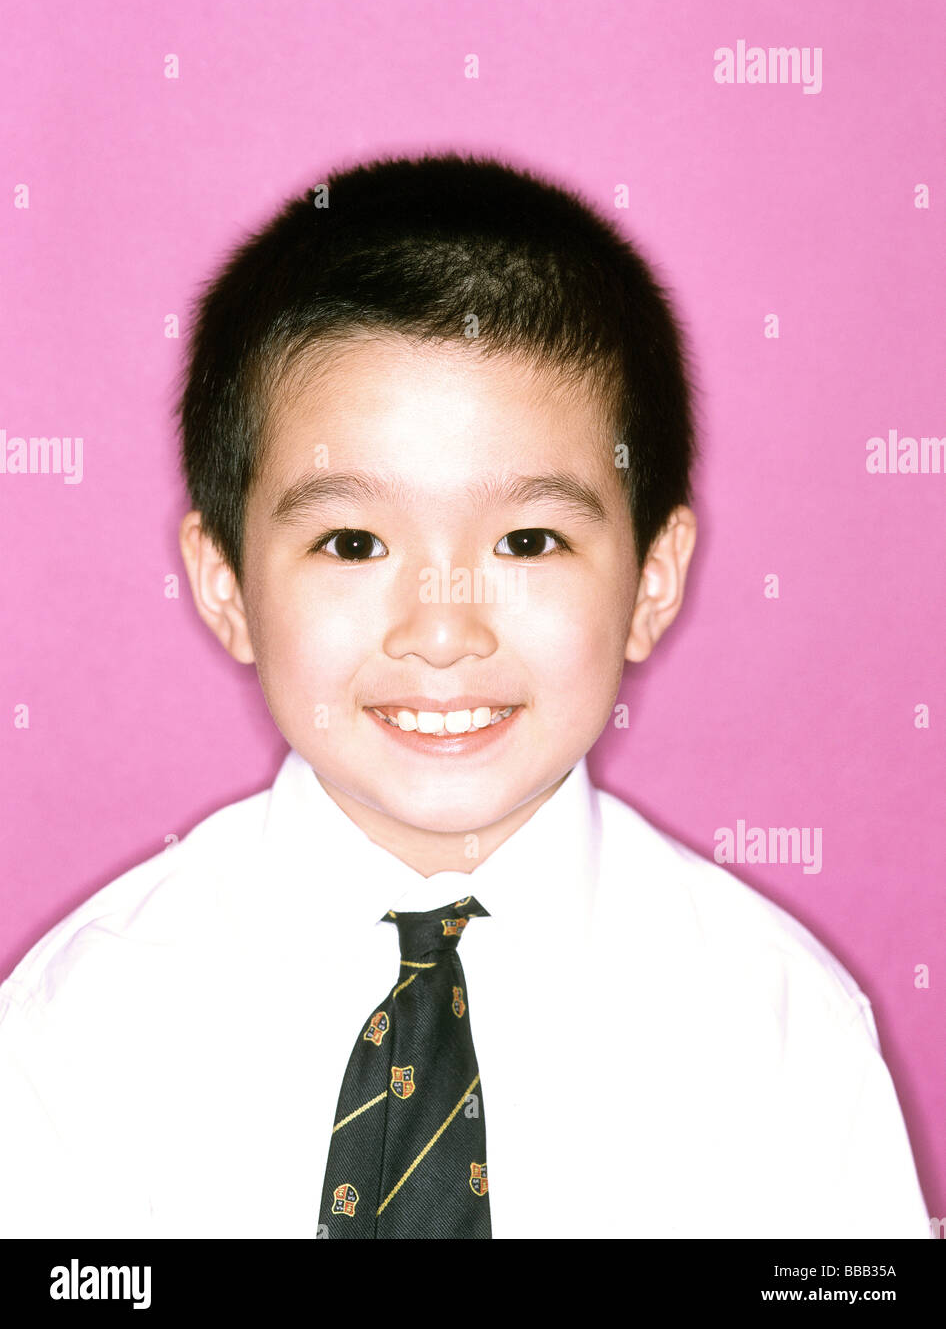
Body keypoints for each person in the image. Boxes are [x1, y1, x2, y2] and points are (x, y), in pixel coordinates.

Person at [0, 153, 930, 1238]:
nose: (442, 628)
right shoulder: (85, 1024)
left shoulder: (776, 1026)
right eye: (351, 542)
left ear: (651, 580)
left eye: (527, 540)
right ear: (226, 587)